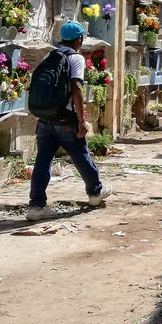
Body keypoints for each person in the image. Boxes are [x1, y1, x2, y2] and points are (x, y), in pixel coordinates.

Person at [27, 22, 112, 219]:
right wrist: (82, 120)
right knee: (81, 155)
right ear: (79, 39)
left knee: (42, 162)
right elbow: (77, 89)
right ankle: (95, 193)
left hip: (45, 119)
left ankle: (36, 207)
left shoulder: (50, 55)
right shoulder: (76, 58)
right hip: (65, 119)